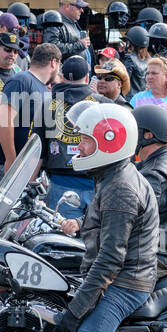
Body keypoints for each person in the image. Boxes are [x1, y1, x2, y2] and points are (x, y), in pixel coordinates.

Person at [14, 102, 158, 332]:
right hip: (117, 273)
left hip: (126, 284)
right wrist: (79, 223)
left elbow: (111, 261)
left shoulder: (121, 187)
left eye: (86, 142)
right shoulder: (112, 176)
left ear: (111, 142)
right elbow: (109, 229)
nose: (78, 148)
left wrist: (77, 311)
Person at [38, 55, 99, 219]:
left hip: (61, 184)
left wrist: (30, 187)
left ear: (62, 77)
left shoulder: (47, 104)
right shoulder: (102, 104)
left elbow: (37, 151)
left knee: (62, 239)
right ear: (87, 78)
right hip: (96, 183)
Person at [0, 43, 61, 179]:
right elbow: (5, 119)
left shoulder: (44, 88)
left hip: (28, 167)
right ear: (53, 63)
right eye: (59, 65)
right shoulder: (22, 79)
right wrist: (11, 160)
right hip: (12, 166)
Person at [131, 105, 167, 281]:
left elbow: (130, 215)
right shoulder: (163, 158)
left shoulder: (154, 174)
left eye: (134, 131)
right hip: (159, 248)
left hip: (156, 256)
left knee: (103, 287)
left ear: (148, 135)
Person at [41, 0, 91, 64]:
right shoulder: (55, 22)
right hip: (67, 73)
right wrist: (79, 45)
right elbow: (51, 49)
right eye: (79, 7)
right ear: (67, 6)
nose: (82, 10)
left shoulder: (73, 22)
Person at [120, 26, 151, 95]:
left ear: (131, 43)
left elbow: (124, 80)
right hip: (144, 97)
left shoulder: (129, 58)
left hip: (130, 99)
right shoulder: (150, 59)